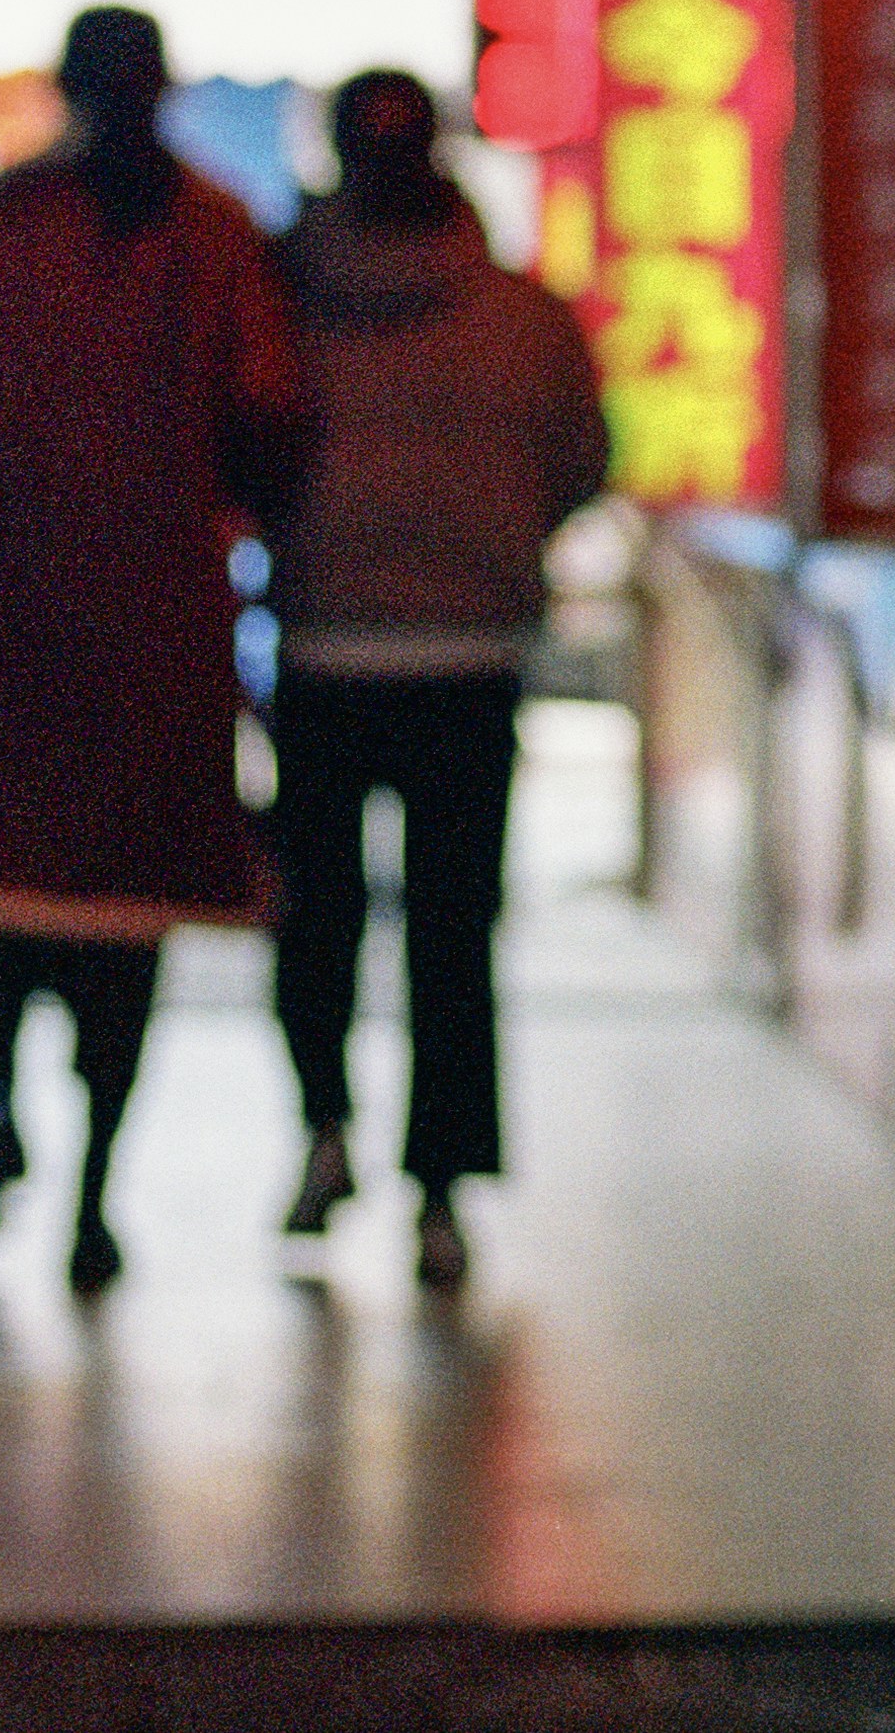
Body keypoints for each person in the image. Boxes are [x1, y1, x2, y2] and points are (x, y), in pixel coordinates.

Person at [0, 6, 307, 1295]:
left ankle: (5, 1125)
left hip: (5, 623)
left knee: (1, 910)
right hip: (152, 633)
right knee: (123, 934)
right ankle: (91, 1198)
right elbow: (272, 422)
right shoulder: (220, 235)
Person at [264, 68, 609, 1291]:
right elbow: (581, 460)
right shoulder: (524, 316)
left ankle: (322, 1133)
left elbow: (239, 444)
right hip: (471, 659)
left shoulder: (284, 301)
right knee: (454, 936)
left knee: (315, 921)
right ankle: (442, 1193)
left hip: (322, 653)